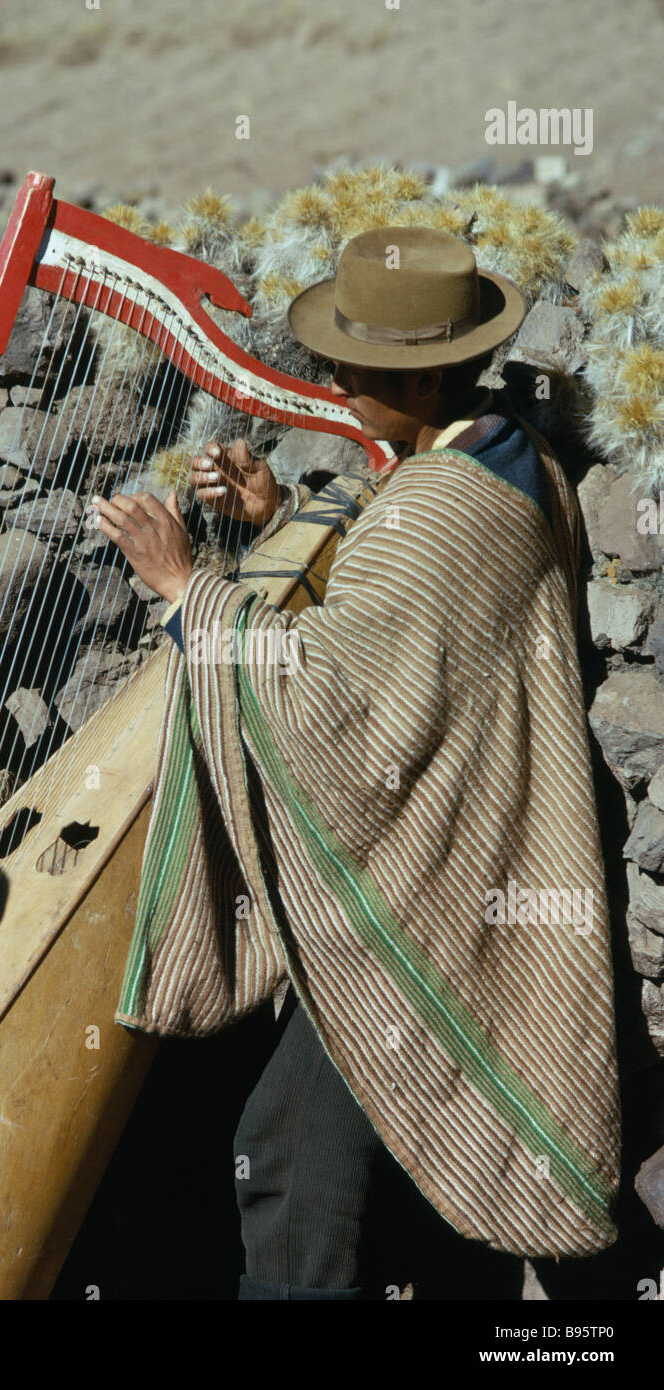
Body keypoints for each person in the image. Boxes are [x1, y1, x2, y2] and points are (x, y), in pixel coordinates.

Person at [88, 226, 621, 1300]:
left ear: (424, 372)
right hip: (459, 865)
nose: (328, 378)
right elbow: (409, 638)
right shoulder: (500, 453)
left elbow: (331, 697)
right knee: (348, 1159)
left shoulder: (442, 506)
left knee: (285, 1158)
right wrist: (278, 518)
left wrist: (185, 583)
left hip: (419, 893)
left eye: (352, 363)